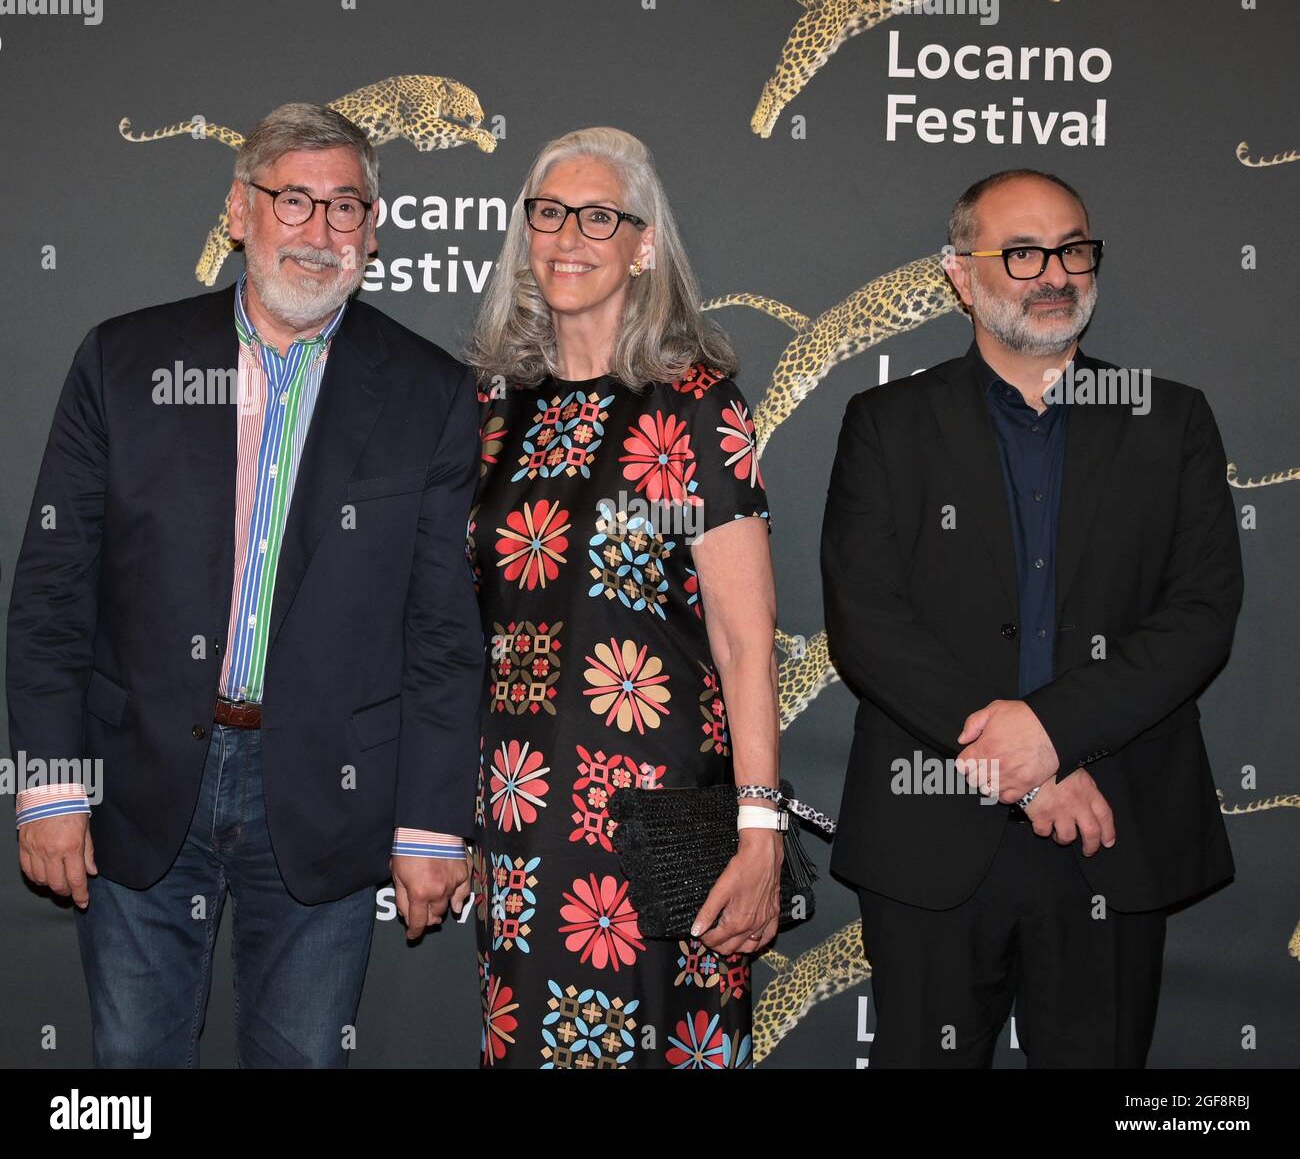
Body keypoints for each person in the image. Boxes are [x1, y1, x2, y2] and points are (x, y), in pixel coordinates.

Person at [8, 103, 483, 1067]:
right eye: (293, 200)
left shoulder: (429, 391)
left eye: (344, 207)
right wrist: (49, 784)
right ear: (239, 212)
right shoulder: (124, 361)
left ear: (374, 229)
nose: (319, 231)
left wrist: (434, 818)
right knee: (133, 1067)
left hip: (325, 793)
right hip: (135, 776)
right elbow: (55, 587)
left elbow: (443, 628)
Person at [821, 168, 1243, 1068]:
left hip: (1114, 828)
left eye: (1073, 248)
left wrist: (1051, 733)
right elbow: (868, 623)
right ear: (960, 275)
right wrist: (1028, 770)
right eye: (1021, 253)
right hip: (933, 837)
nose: (1055, 272)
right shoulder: (886, 424)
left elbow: (1201, 616)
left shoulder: (1171, 422)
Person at [463, 126, 781, 1069]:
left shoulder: (694, 402)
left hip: (666, 817)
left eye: (598, 216)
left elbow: (744, 638)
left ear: (644, 244)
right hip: (522, 816)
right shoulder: (493, 412)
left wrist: (760, 828)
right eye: (549, 214)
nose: (568, 236)